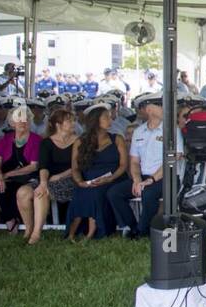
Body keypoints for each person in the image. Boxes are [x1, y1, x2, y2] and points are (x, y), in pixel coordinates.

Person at [107, 97, 177, 237]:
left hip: (167, 177)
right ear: (150, 110)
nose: (164, 108)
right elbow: (134, 161)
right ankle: (134, 227)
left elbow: (172, 160)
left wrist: (151, 180)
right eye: (159, 105)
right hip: (144, 176)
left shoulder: (171, 130)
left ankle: (143, 231)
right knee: (114, 193)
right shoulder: (138, 132)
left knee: (148, 193)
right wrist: (137, 180)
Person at [0, 105, 41, 237]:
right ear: (12, 123)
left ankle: (11, 220)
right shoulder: (5, 139)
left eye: (26, 119)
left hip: (25, 178)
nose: (23, 122)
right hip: (4, 178)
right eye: (19, 119)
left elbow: (33, 166)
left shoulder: (36, 140)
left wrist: (6, 175)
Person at [67, 102, 128, 240]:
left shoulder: (117, 139)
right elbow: (75, 167)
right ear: (96, 121)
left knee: (96, 190)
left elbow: (123, 165)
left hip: (114, 178)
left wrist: (110, 178)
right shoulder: (80, 141)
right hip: (89, 178)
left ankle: (93, 232)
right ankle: (73, 231)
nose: (110, 120)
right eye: (106, 117)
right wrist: (79, 181)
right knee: (83, 190)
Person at [29, 107, 78, 244]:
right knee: (39, 190)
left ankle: (36, 234)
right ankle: (34, 232)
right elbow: (43, 167)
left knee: (43, 192)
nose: (73, 123)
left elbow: (78, 165)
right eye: (69, 121)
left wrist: (60, 176)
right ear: (58, 125)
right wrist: (43, 182)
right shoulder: (46, 143)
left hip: (71, 178)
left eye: (73, 121)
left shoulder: (78, 141)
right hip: (49, 179)